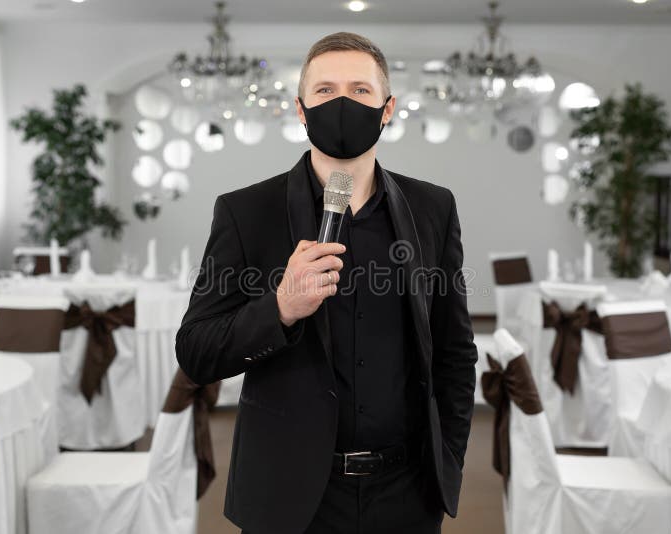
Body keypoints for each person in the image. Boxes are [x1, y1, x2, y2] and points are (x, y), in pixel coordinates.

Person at [176, 31, 478, 534]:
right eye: (325, 91)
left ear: (387, 108)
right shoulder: (247, 212)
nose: (342, 102)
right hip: (289, 499)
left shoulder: (433, 208)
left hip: (407, 494)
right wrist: (280, 309)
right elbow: (196, 351)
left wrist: (448, 458)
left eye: (360, 90)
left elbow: (454, 350)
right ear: (300, 109)